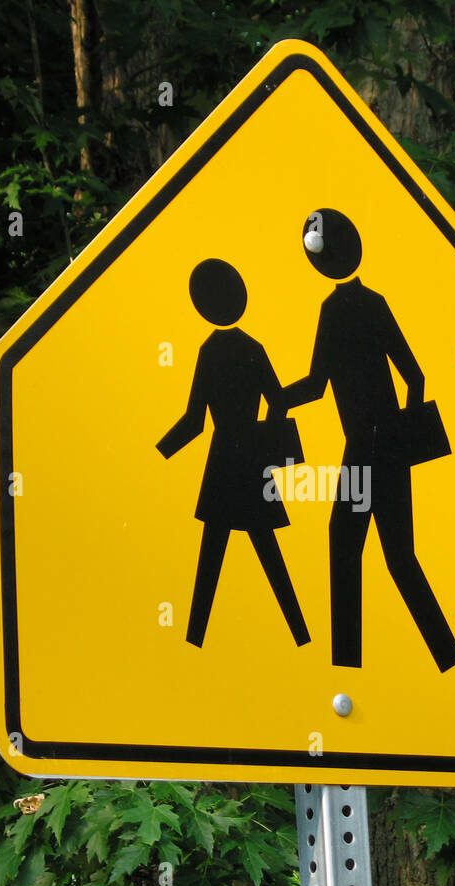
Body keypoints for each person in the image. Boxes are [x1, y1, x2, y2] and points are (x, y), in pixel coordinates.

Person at [282, 210, 455, 672]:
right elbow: (415, 377)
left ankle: (347, 664)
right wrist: (403, 437)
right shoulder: (374, 302)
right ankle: (447, 657)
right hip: (387, 448)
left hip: (364, 448)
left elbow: (316, 385)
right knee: (398, 557)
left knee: (346, 545)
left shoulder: (334, 310)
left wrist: (277, 400)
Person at [157, 258, 309, 649]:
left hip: (224, 461)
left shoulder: (209, 351)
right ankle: (301, 635)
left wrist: (161, 451)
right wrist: (266, 439)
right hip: (252, 459)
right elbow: (278, 400)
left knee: (212, 556)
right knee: (266, 550)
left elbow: (195, 420)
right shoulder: (252, 347)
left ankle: (195, 640)